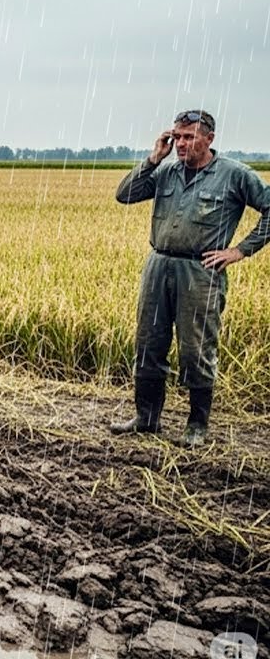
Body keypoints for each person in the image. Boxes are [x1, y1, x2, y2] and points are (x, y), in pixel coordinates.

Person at [111, 110, 270, 447]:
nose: (180, 144)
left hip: (200, 272)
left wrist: (240, 250)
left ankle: (196, 425)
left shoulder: (234, 175)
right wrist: (155, 157)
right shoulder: (166, 172)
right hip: (158, 266)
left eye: (188, 137)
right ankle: (146, 418)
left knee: (195, 349)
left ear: (209, 139)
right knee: (148, 343)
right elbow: (124, 194)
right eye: (177, 137)